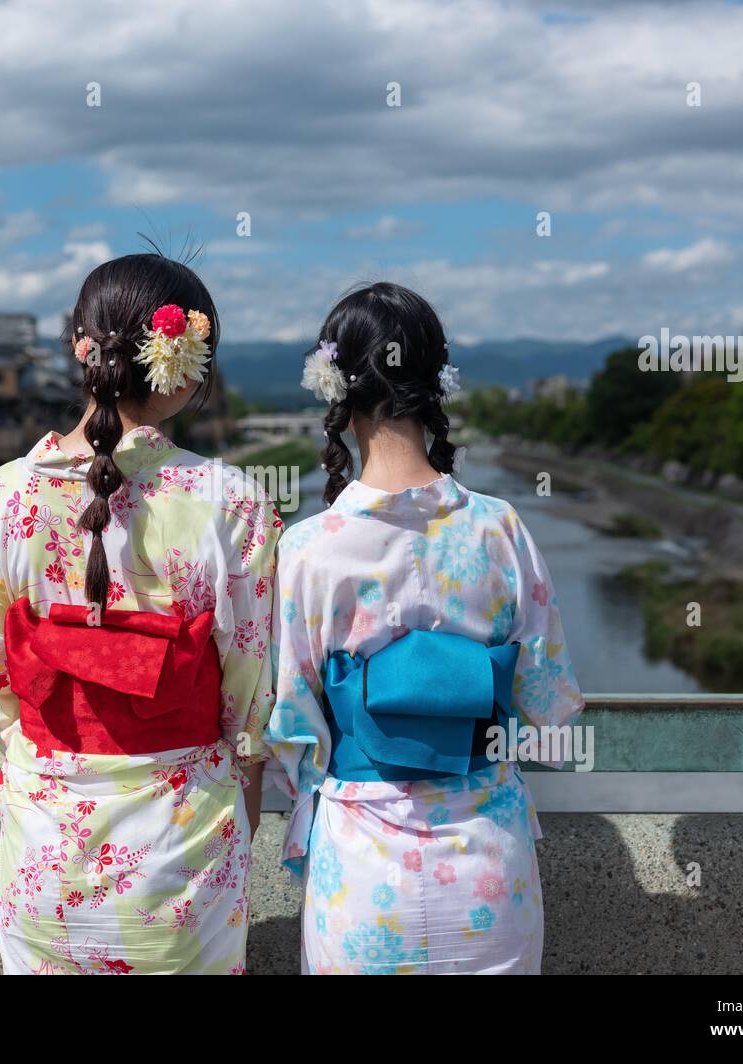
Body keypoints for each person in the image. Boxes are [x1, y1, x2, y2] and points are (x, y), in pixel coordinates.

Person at [0, 253, 280, 974]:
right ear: (185, 366)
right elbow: (251, 692)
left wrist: (30, 759)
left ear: (81, 347)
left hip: (46, 843)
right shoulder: (229, 499)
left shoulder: (5, 496)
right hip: (180, 849)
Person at [266, 282, 584, 974]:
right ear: (436, 381)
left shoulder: (308, 548)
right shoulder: (500, 528)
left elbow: (290, 724)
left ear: (335, 389)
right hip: (487, 862)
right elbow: (549, 703)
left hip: (361, 871)